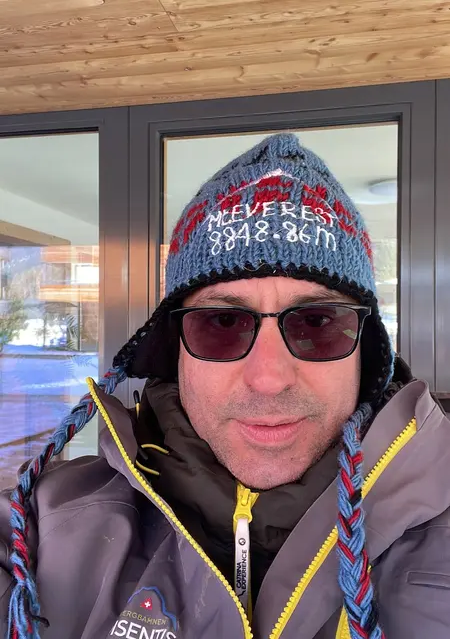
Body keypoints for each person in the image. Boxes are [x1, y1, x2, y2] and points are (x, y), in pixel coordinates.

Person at [1, 133, 450, 639]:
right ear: (174, 348)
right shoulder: (39, 533)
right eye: (222, 322)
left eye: (318, 323)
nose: (269, 378)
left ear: (366, 353)